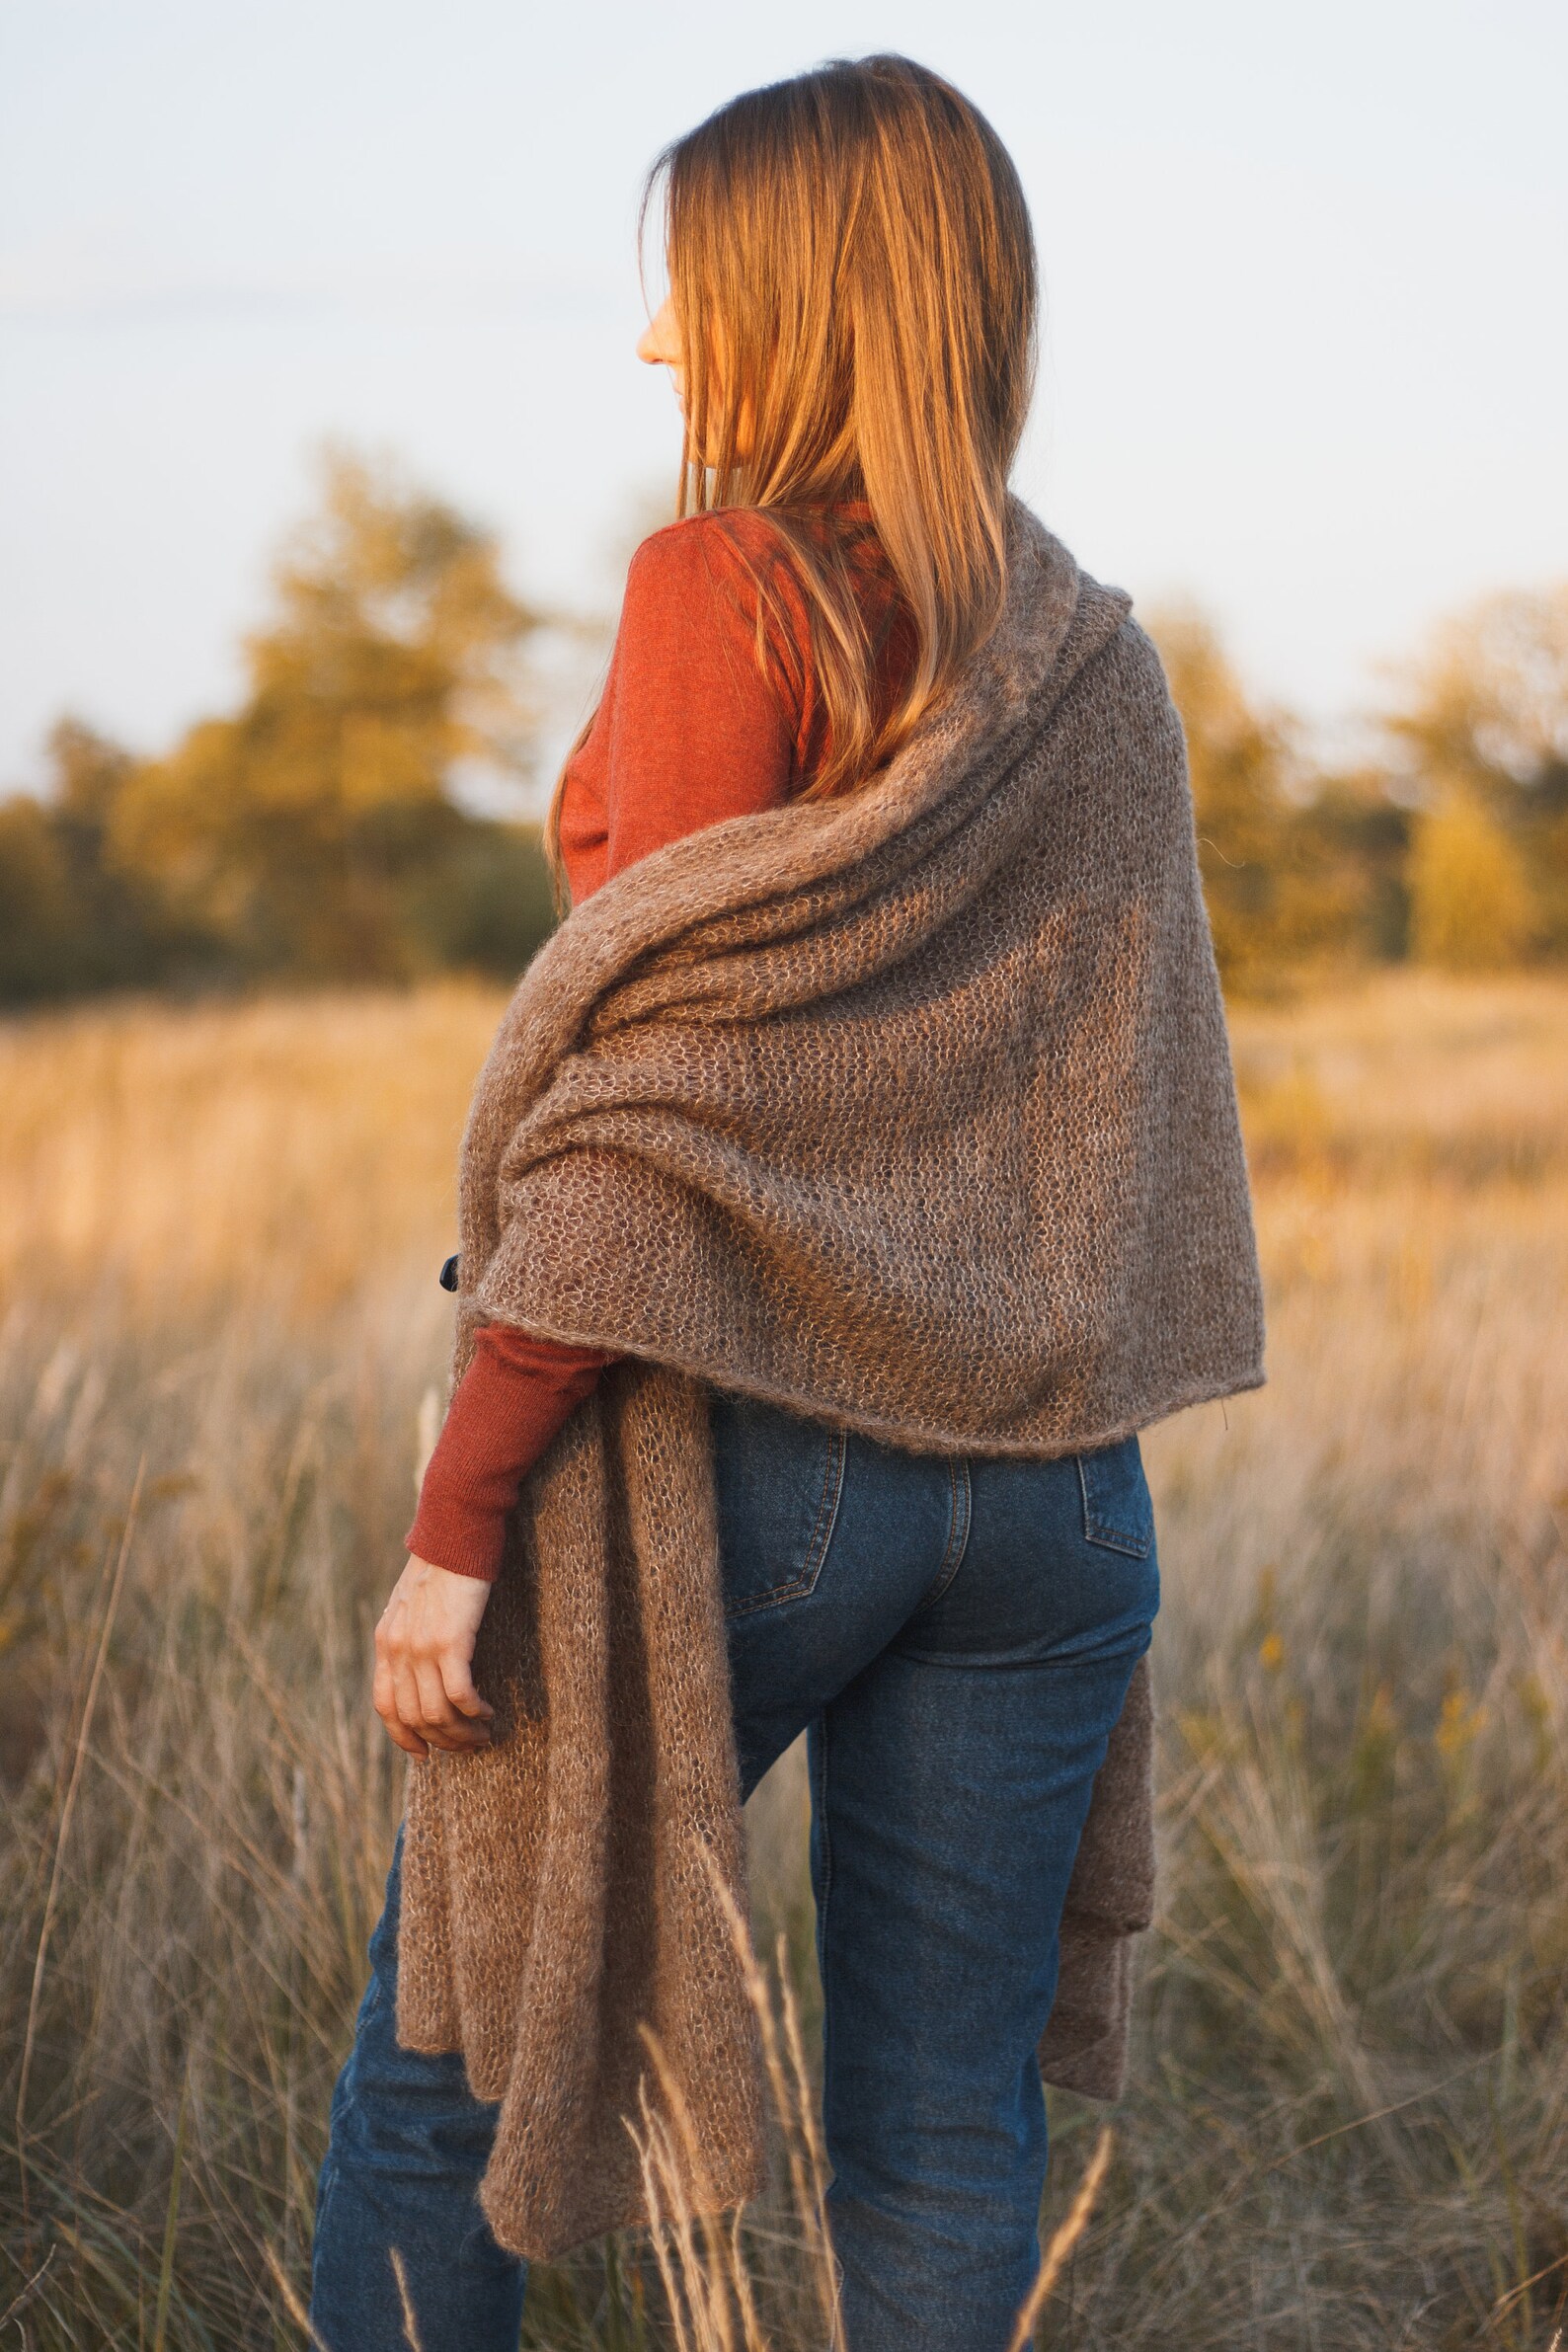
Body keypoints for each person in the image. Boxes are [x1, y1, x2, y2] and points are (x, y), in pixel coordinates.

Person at [310, 51, 1264, 2352]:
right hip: (1056, 1497)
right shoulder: (1089, 656)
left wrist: (459, 1522)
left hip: (761, 1463)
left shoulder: (722, 587)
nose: (660, 346)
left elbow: (652, 1105)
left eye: (692, 294)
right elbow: (1110, 1103)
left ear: (805, 304)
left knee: (447, 2066)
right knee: (939, 2131)